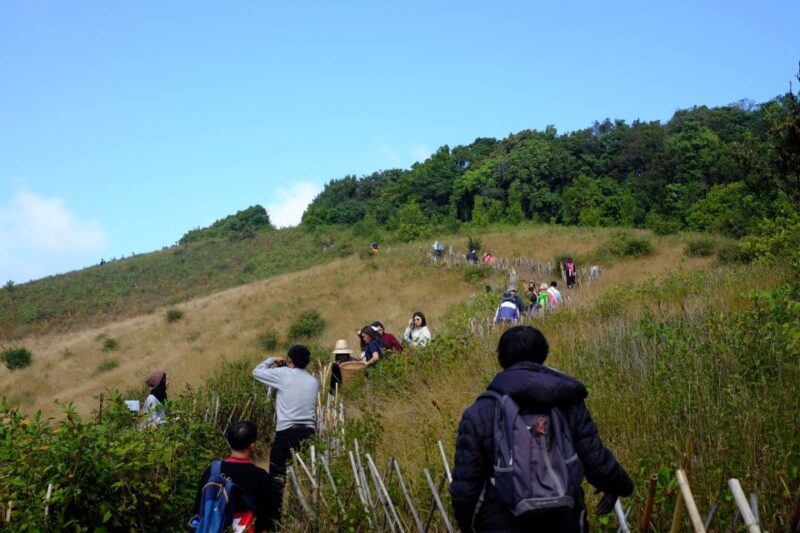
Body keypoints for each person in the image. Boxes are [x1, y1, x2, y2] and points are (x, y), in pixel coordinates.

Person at [450, 326, 633, 532]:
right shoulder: (568, 402)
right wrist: (619, 486)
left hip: (501, 524)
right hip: (564, 521)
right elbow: (595, 458)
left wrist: (467, 525)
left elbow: (465, 489)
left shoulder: (479, 412)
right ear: (544, 353)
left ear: (500, 358)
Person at [251, 345, 319, 530]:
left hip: (286, 432)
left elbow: (256, 372)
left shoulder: (283, 374)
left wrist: (272, 360)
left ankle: (275, 521)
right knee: (304, 475)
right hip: (308, 432)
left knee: (277, 478)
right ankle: (303, 517)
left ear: (289, 359)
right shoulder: (313, 381)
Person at [190, 421, 271, 533]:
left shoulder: (212, 471)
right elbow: (264, 520)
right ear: (252, 446)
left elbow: (198, 509)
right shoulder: (261, 477)